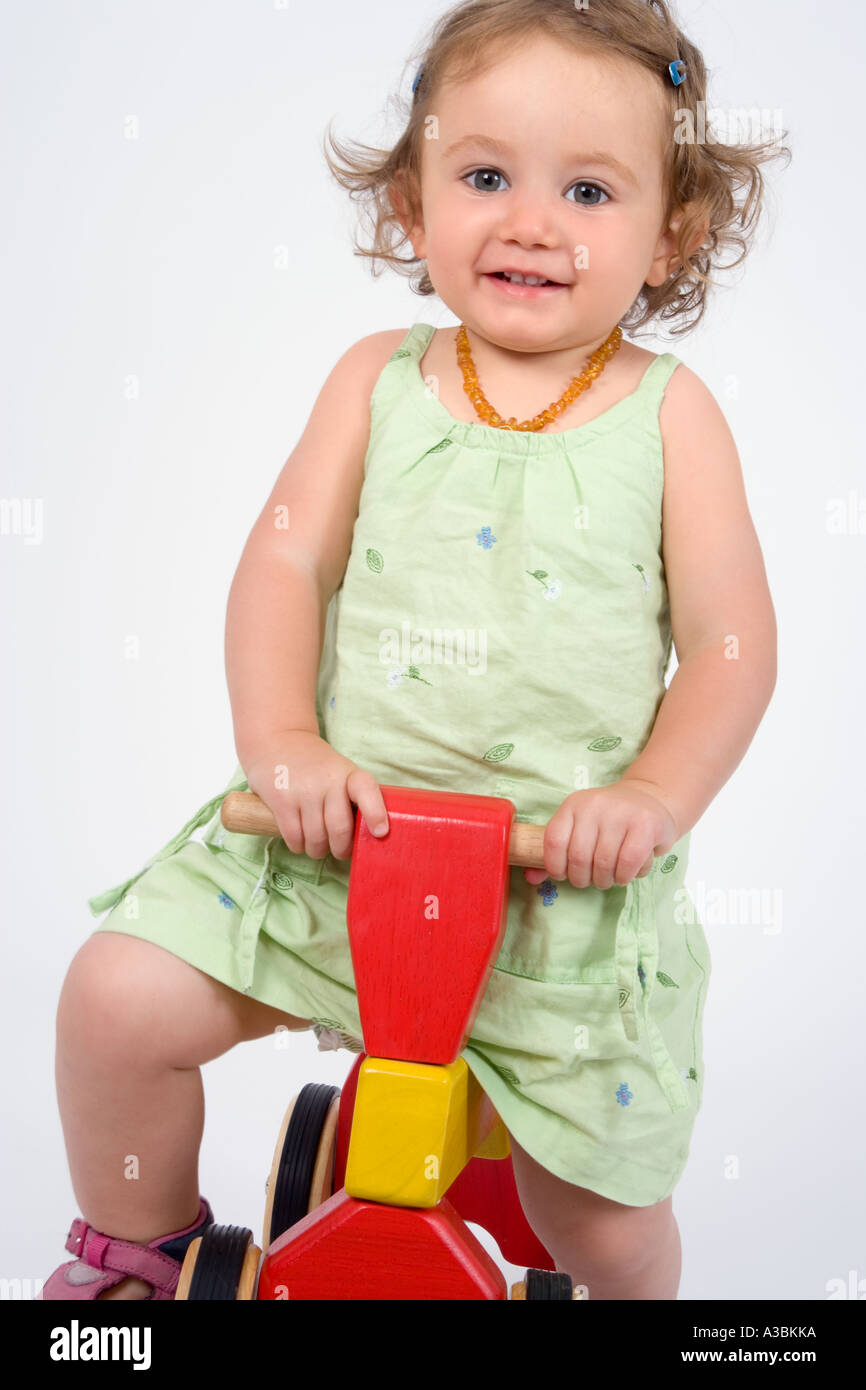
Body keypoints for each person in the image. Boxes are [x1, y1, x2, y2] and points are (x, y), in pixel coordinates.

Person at [41, 0, 789, 1301]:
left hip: (555, 892)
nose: (531, 222)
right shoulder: (373, 380)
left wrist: (649, 800)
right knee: (117, 997)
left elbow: (732, 643)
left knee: (600, 1222)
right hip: (340, 854)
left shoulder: (670, 419)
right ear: (409, 201)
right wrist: (283, 746)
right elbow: (285, 562)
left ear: (672, 231)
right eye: (485, 174)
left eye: (589, 188)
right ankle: (138, 1262)